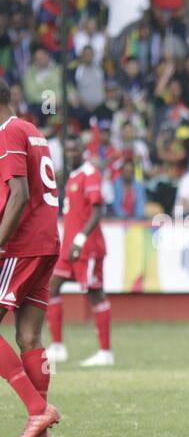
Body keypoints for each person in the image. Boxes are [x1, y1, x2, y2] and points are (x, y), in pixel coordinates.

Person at [0, 79, 61, 437]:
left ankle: (37, 410)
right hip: (46, 241)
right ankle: (39, 436)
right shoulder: (32, 131)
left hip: (22, 245)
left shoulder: (7, 132)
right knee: (29, 337)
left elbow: (19, 194)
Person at [49, 137, 114, 368]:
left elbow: (97, 211)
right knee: (51, 288)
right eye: (67, 150)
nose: (71, 153)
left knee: (95, 294)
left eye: (75, 149)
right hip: (68, 248)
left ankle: (105, 352)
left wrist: (80, 239)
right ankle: (58, 347)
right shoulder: (72, 176)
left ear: (82, 151)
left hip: (87, 248)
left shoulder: (90, 174)